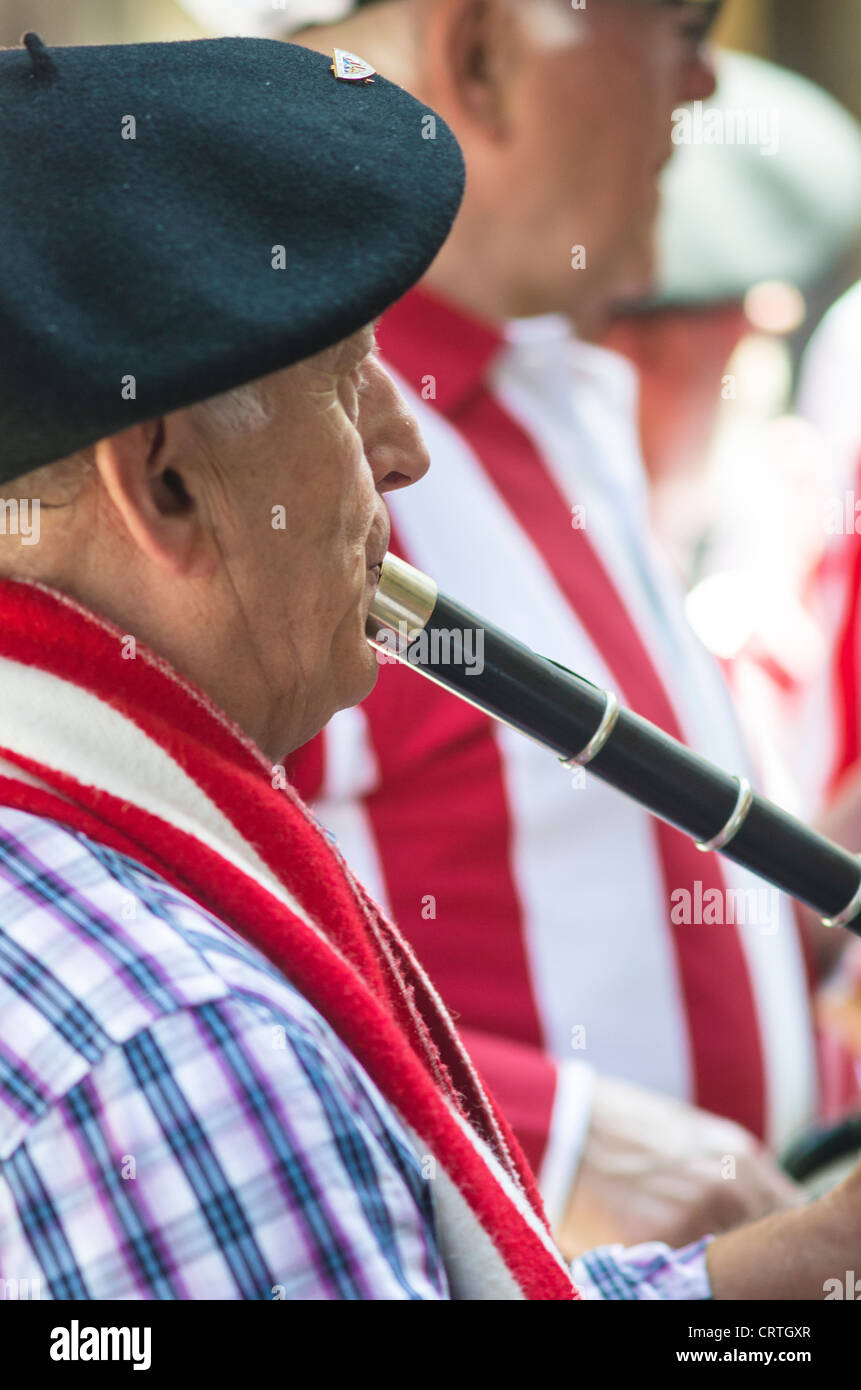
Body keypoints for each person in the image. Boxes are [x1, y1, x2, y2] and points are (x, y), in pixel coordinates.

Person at [1, 28, 861, 1304]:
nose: (406, 454)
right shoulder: (183, 1052)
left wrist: (802, 1273)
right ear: (167, 484)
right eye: (350, 385)